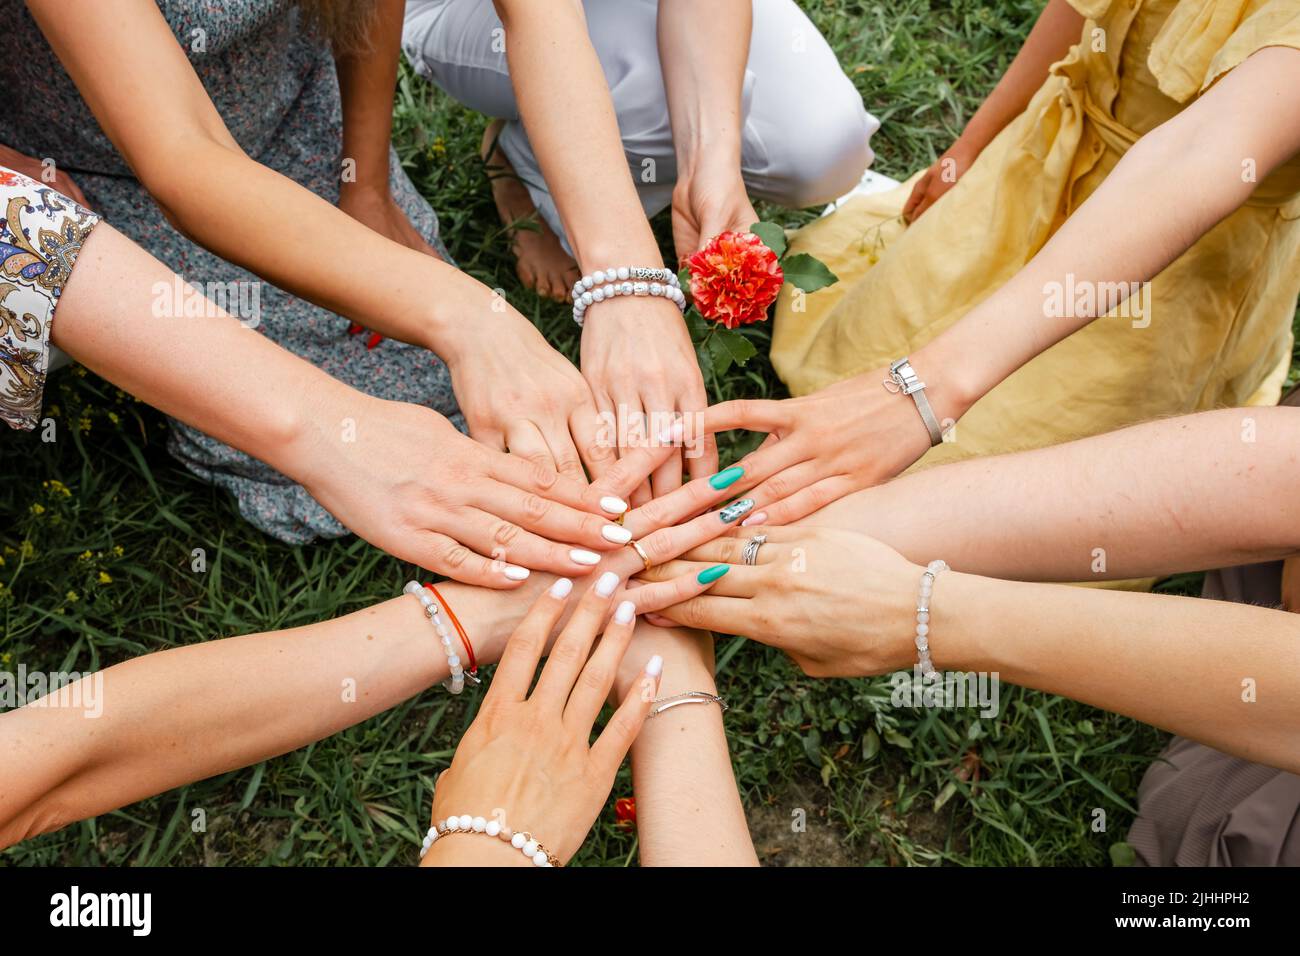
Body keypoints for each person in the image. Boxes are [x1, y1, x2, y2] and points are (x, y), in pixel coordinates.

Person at [3, 0, 680, 564]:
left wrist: (628, 283)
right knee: (333, 443)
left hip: (289, 104)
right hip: (113, 152)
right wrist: (472, 319)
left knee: (431, 398)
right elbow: (183, 158)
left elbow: (528, 12)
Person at [704, 0, 1300, 526]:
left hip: (1165, 257)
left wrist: (923, 391)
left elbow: (1198, 154)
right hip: (1040, 165)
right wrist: (972, 145)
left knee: (981, 487)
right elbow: (1081, 16)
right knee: (865, 332)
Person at [402, 0, 878, 291]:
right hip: (485, 11)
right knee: (654, 99)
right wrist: (624, 276)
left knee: (823, 149)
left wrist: (711, 167)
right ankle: (520, 162)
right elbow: (538, 14)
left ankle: (657, 165)